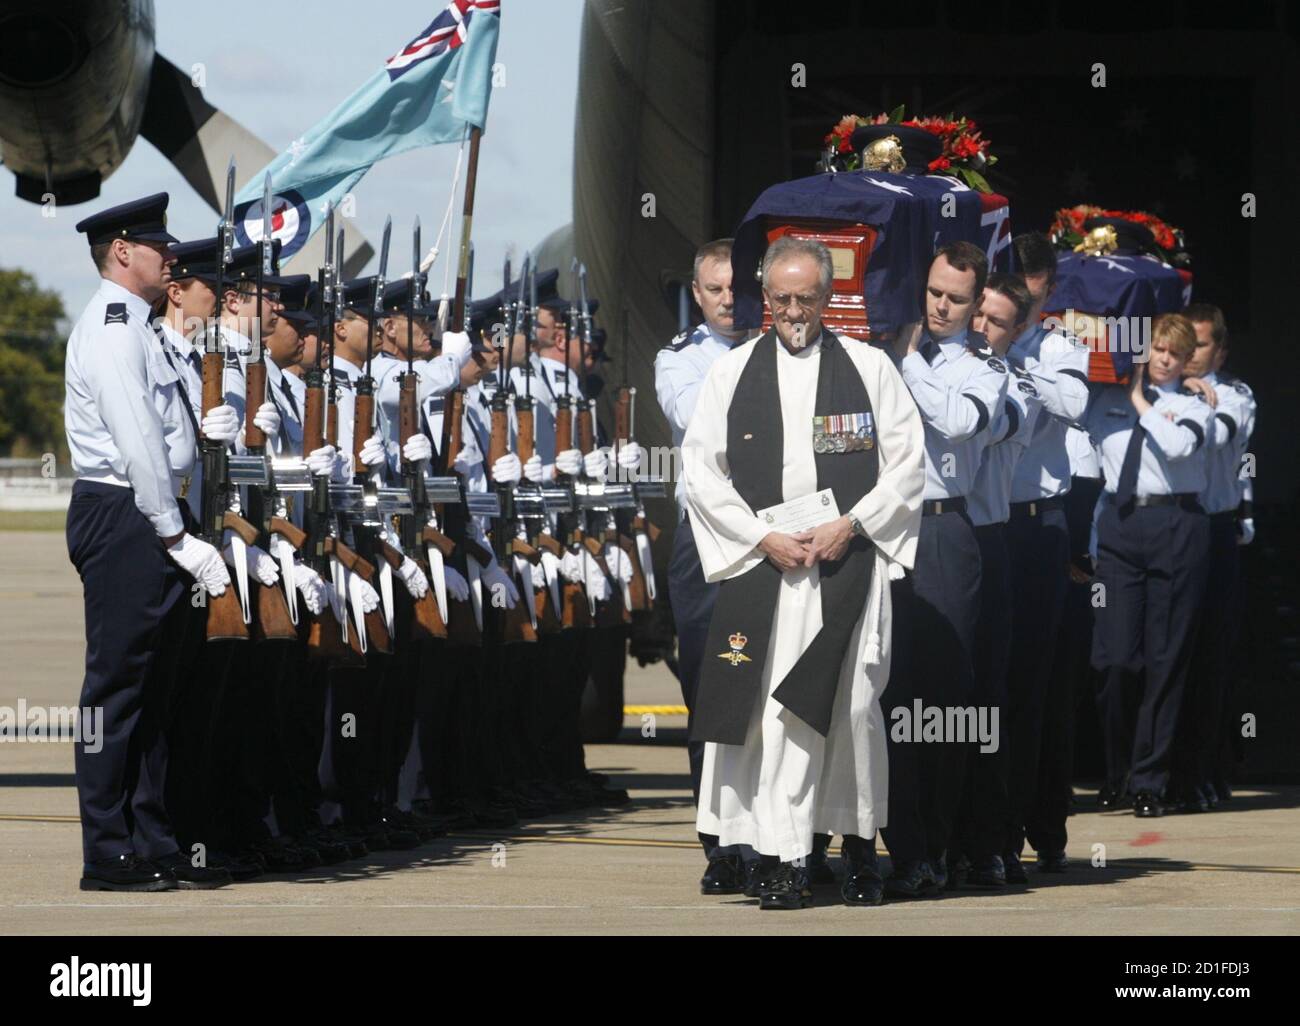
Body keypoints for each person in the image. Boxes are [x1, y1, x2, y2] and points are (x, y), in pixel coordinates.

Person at [683, 235, 925, 910]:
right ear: (766, 297)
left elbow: (909, 465)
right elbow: (701, 472)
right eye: (782, 299)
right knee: (775, 710)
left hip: (844, 561)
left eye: (807, 299)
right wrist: (760, 536)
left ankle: (857, 846)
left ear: (829, 298)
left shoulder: (870, 367)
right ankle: (783, 855)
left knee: (850, 707)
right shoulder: (731, 373)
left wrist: (853, 523)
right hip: (771, 568)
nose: (794, 311)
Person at [65, 193, 232, 891]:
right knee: (117, 688)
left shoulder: (145, 328)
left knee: (158, 691)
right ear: (122, 252)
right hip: (129, 514)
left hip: (154, 512)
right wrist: (174, 533)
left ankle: (151, 837)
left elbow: (164, 428)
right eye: (158, 246)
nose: (172, 257)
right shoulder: (111, 328)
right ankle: (107, 850)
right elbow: (136, 443)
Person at [884, 242, 1007, 898]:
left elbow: (959, 423)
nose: (941, 305)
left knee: (941, 703)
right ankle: (900, 847)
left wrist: (907, 363)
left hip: (939, 531)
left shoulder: (983, 368)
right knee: (883, 695)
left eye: (956, 298)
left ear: (977, 302)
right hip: (877, 529)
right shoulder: (883, 346)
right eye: (934, 291)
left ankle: (936, 843)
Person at [653, 238, 760, 895]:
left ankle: (781, 839)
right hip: (709, 539)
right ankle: (722, 845)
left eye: (736, 288)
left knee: (774, 693)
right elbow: (699, 423)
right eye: (715, 290)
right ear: (698, 293)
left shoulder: (788, 353)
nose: (727, 300)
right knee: (713, 694)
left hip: (773, 536)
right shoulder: (681, 358)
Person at [1086, 313, 1214, 817]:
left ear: (1185, 362)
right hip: (1120, 526)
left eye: (1173, 354)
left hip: (1176, 525)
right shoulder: (1106, 400)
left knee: (1165, 660)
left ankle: (1149, 782)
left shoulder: (1195, 406)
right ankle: (1118, 770)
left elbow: (1179, 445)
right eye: (1157, 349)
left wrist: (1141, 401)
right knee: (1113, 660)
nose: (1163, 359)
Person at [1001, 233, 1093, 880]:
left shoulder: (1058, 347)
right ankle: (990, 828)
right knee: (984, 684)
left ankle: (1045, 825)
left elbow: (1071, 403)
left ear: (1046, 292)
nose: (1015, 298)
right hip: (982, 527)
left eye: (1027, 291)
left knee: (1037, 687)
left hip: (1037, 527)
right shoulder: (971, 341)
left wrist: (1012, 360)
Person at [954, 272, 1041, 889]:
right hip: (930, 542)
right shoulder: (927, 363)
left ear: (1020, 331)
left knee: (984, 707)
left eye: (998, 322)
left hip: (986, 540)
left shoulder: (1018, 387)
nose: (982, 328)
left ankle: (991, 841)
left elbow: (968, 426)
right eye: (976, 313)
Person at [1175, 303, 1257, 810]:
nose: (1187, 355)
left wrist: (1186, 401)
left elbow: (1220, 434)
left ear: (1220, 351)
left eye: (1199, 345)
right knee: (1161, 659)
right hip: (1167, 530)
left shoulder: (1235, 395)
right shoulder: (1159, 390)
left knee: (1209, 657)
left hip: (1214, 529)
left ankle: (1204, 771)